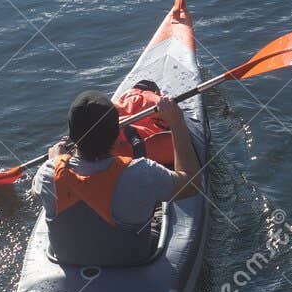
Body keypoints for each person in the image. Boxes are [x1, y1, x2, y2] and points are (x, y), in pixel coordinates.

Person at [32, 87, 202, 268]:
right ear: (117, 136)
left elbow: (38, 193)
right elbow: (192, 184)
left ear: (73, 138)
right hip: (131, 259)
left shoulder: (48, 173)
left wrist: (56, 160)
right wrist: (176, 124)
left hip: (70, 260)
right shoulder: (141, 172)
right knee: (158, 198)